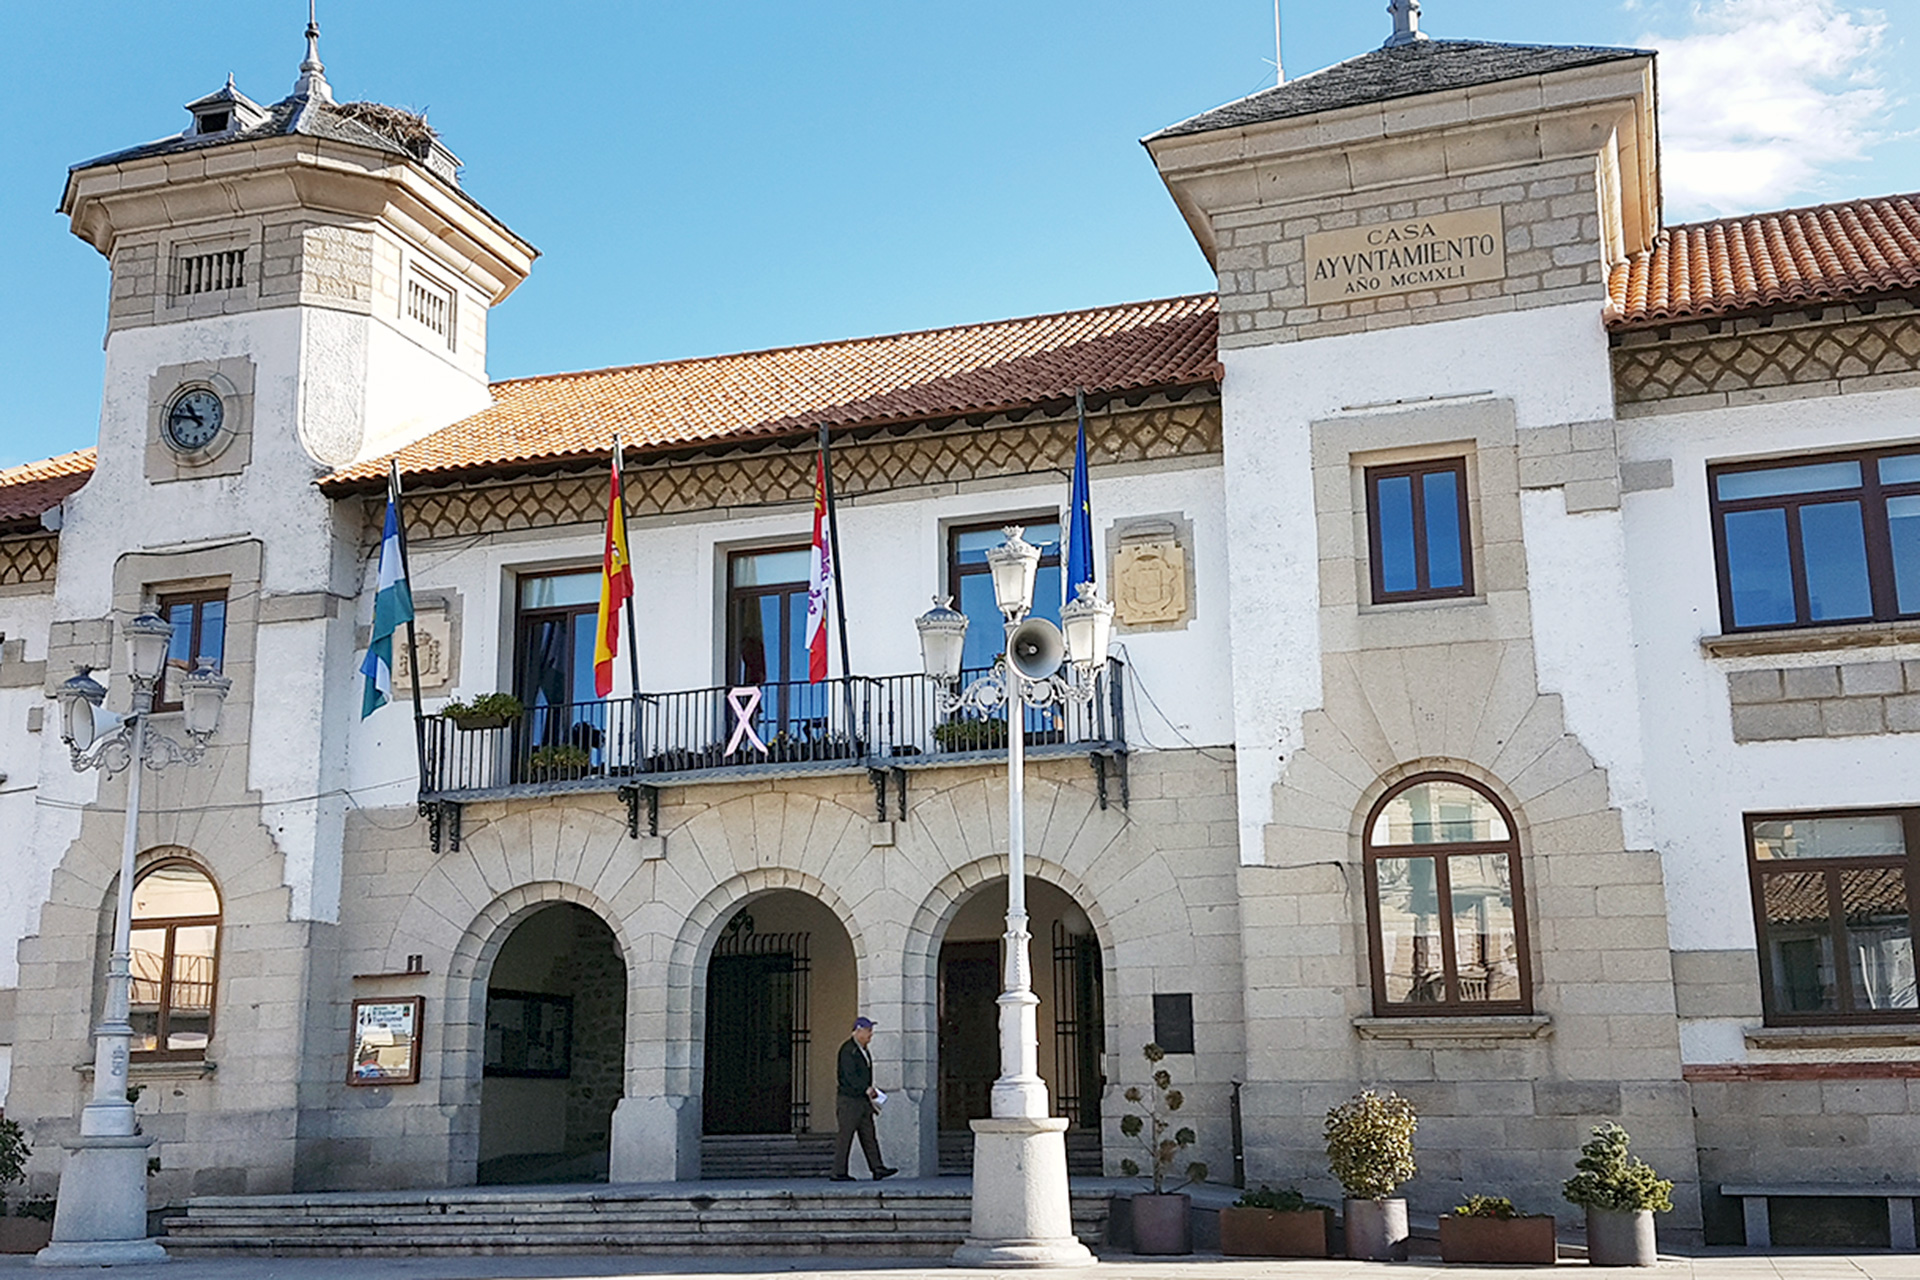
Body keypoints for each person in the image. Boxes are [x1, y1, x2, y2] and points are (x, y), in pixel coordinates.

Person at [831, 1015, 897, 1181]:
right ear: (858, 1031)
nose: (871, 1034)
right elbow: (849, 1076)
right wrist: (865, 1089)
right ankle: (839, 1172)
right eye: (868, 1030)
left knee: (869, 1135)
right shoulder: (848, 1050)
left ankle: (877, 1168)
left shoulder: (863, 1050)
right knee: (845, 1136)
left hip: (861, 1100)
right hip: (849, 1100)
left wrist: (868, 1092)